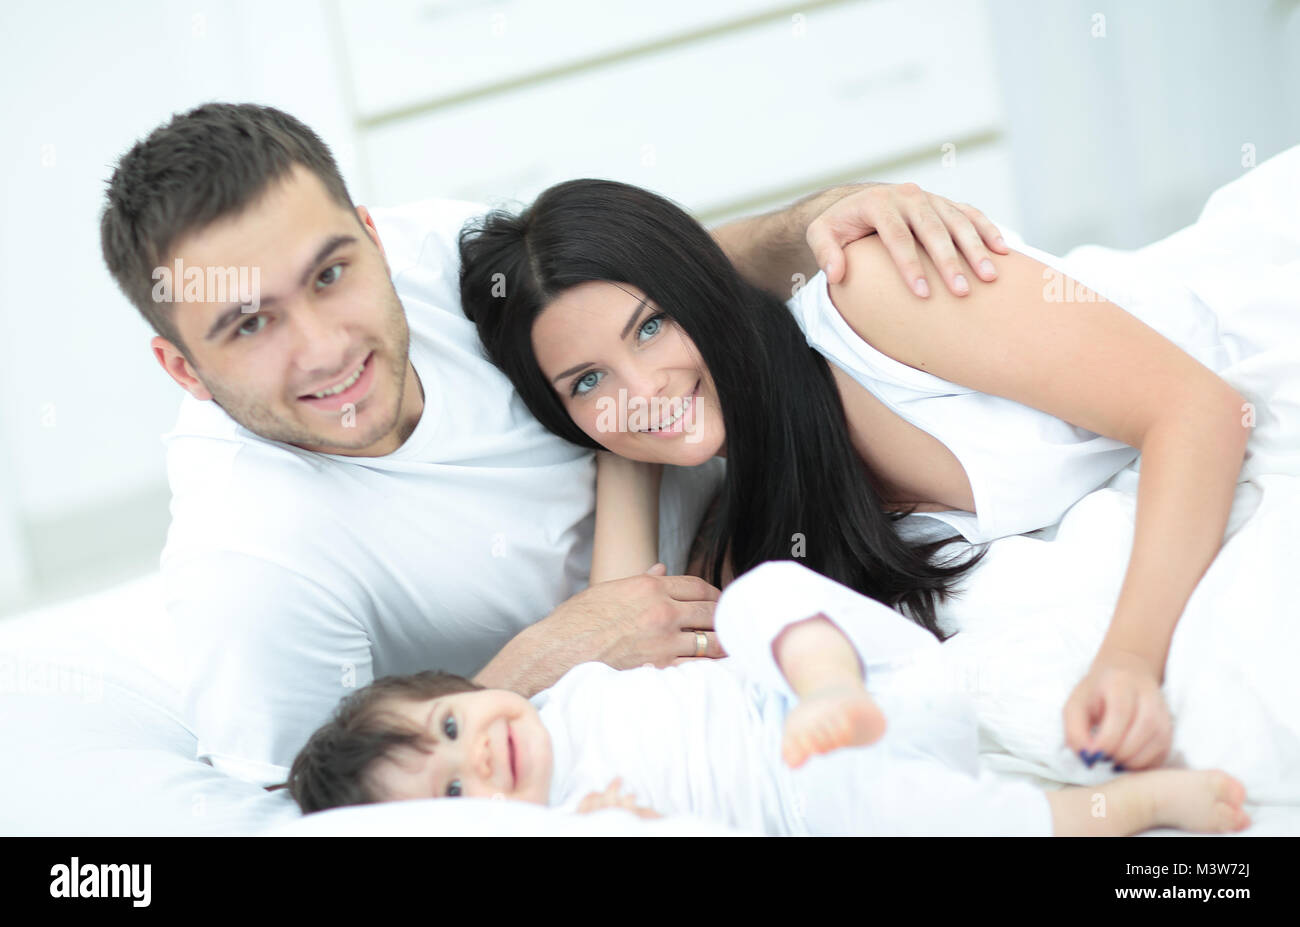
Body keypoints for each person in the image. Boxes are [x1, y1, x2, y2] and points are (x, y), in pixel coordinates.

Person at [98, 102, 1007, 783]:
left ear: (376, 239)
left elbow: (632, 292)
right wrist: (537, 664)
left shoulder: (430, 253)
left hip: (793, 463)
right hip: (724, 634)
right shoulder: (251, 569)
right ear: (183, 370)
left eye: (332, 274)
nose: (327, 345)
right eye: (250, 324)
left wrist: (814, 220)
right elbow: (320, 804)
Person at [457, 147, 1300, 775]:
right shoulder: (748, 536)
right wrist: (621, 447)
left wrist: (1128, 660)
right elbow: (630, 673)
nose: (645, 384)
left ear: (700, 288)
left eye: (651, 325)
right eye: (588, 378)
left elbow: (1199, 409)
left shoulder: (870, 297)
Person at [286, 561, 1251, 836]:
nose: (477, 755)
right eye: (452, 797)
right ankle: (1126, 808)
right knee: (865, 806)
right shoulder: (575, 818)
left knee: (758, 594)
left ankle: (832, 689)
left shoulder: (574, 690)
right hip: (832, 801)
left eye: (451, 724)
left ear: (466, 688)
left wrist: (814, 687)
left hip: (864, 689)